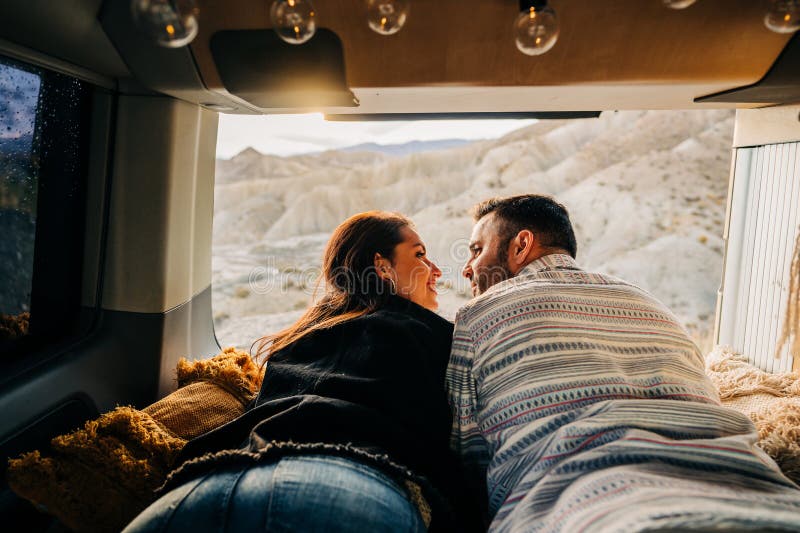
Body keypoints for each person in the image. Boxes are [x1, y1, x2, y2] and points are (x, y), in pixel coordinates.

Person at [447, 194, 800, 532]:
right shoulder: (654, 305)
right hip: (755, 487)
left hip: (583, 506)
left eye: (477, 250)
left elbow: (469, 456)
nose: (468, 268)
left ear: (520, 246)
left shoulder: (480, 316)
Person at [124, 211, 476, 533]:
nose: (436, 269)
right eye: (419, 254)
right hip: (343, 487)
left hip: (207, 484)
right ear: (382, 267)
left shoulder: (296, 341)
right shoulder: (429, 334)